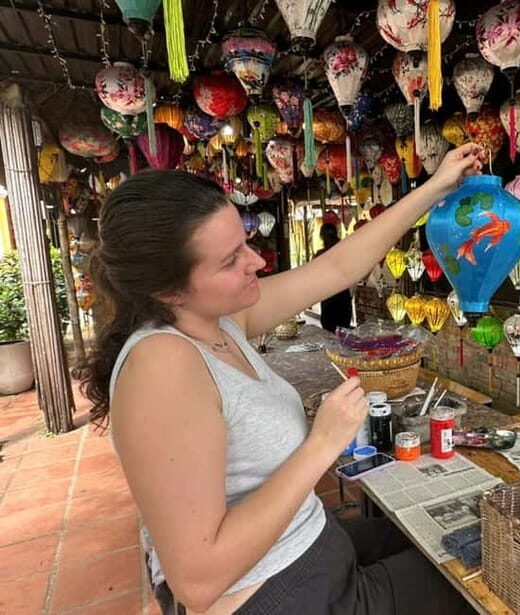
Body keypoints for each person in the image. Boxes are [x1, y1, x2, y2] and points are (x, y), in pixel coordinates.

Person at [80, 143, 485, 615]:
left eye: (244, 243)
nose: (256, 261)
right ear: (167, 290)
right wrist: (322, 443)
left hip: (307, 545)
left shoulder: (218, 321)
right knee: (481, 575)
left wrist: (435, 188)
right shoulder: (162, 368)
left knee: (453, 535)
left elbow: (337, 268)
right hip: (272, 595)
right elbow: (197, 580)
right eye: (230, 260)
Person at [315, 222, 352, 333]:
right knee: (343, 330)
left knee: (329, 330)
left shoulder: (320, 255)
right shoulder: (344, 251)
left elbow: (315, 276)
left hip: (328, 295)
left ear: (322, 237)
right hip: (343, 294)